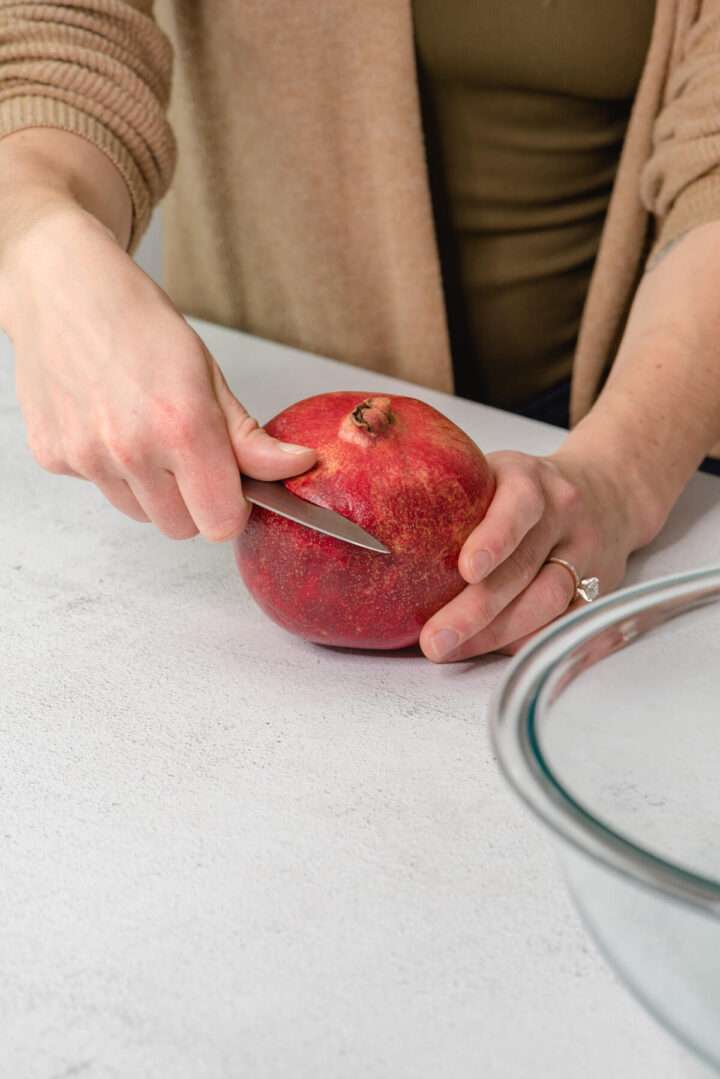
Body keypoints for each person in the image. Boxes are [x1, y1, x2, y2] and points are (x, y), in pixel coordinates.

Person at [1, 1, 719, 664]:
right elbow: (51, 37)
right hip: (255, 399)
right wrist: (37, 229)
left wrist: (623, 475)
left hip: (661, 415)